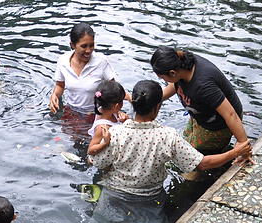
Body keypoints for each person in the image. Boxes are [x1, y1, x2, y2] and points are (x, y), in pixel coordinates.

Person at [89, 80, 251, 197]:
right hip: (150, 197)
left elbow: (96, 161)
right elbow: (202, 163)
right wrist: (235, 152)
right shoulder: (168, 136)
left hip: (114, 192)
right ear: (158, 106)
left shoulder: (115, 133)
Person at [150, 47, 252, 166]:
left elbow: (230, 114)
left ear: (173, 72)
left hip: (217, 125)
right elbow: (175, 85)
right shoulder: (182, 65)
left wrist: (242, 145)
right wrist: (151, 99)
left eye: (162, 77)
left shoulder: (204, 85)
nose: (163, 80)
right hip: (201, 116)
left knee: (196, 163)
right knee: (186, 145)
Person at [49, 23, 119, 129]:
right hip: (72, 111)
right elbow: (60, 85)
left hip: (96, 114)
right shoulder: (63, 61)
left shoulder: (101, 62)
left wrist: (117, 110)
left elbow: (114, 89)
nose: (88, 50)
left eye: (91, 45)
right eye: (84, 46)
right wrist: (54, 96)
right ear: (72, 45)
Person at [87, 80, 128, 156]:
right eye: (122, 101)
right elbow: (90, 150)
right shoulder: (101, 127)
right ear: (115, 106)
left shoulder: (107, 110)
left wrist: (126, 120)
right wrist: (105, 143)